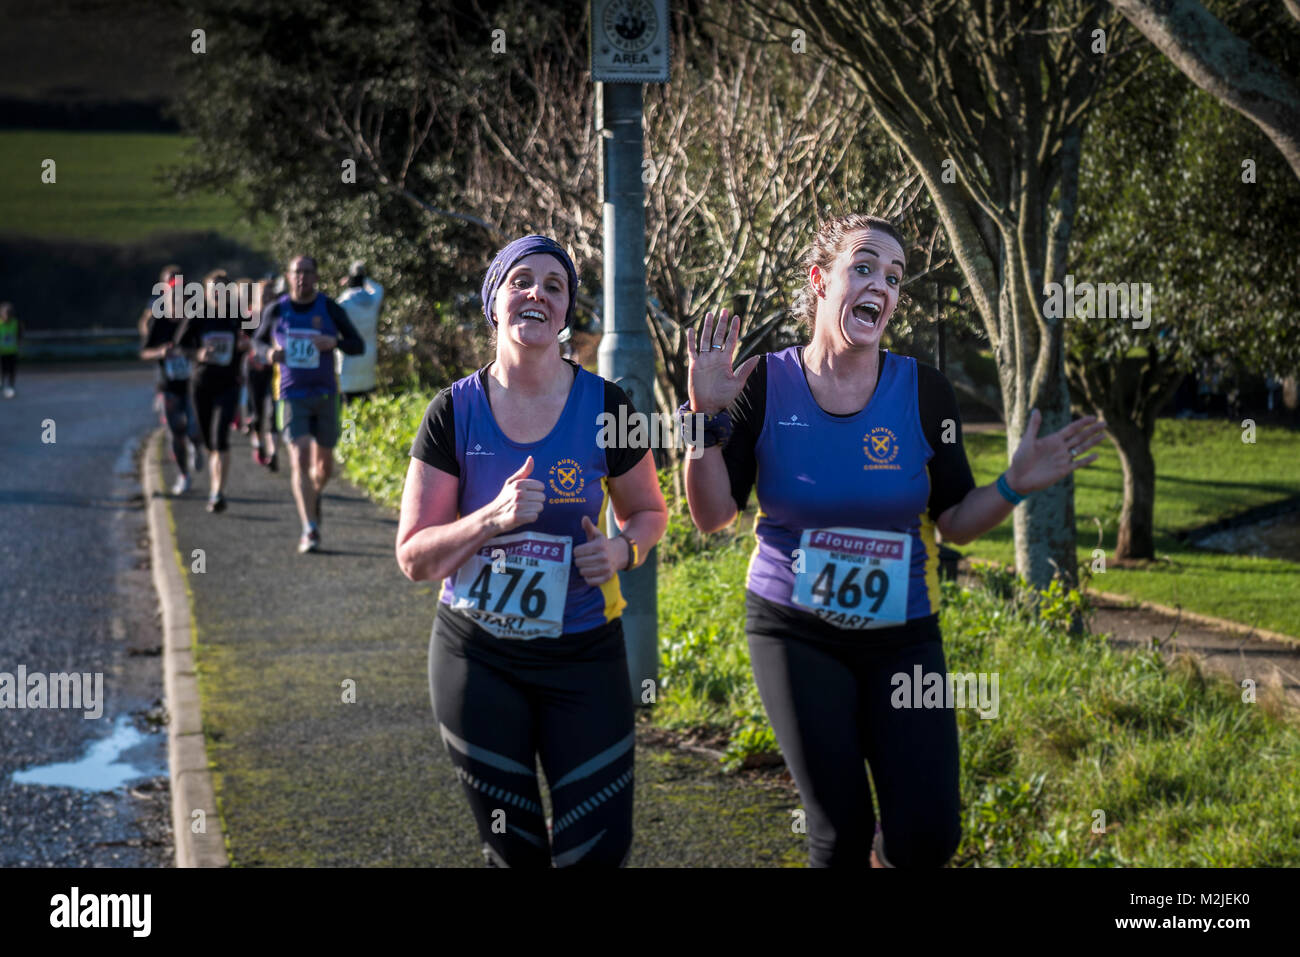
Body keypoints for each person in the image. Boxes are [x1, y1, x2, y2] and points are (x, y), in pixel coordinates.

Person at [682, 213, 1107, 868]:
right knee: (839, 831)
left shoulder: (924, 390)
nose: (881, 284)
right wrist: (702, 423)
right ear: (820, 281)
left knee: (928, 835)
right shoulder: (763, 384)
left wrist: (1015, 484)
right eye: (864, 268)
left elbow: (956, 517)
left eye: (894, 276)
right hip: (794, 630)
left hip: (902, 634)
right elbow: (713, 516)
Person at [395, 235, 668, 868]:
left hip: (583, 656)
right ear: (495, 301)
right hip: (477, 658)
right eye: (521, 280)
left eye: (554, 285)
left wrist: (624, 551)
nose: (537, 294)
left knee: (598, 849)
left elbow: (649, 512)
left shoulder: (606, 406)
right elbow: (415, 558)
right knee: (514, 851)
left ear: (566, 310)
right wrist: (489, 519)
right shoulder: (452, 413)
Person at [254, 255, 364, 553]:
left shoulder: (329, 307)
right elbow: (257, 342)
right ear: (288, 277)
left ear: (316, 276)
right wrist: (268, 354)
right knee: (299, 457)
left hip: (326, 394)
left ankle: (313, 497)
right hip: (291, 395)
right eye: (296, 272)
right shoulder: (276, 310)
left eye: (307, 272)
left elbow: (358, 345)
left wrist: (335, 343)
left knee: (324, 468)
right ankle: (310, 528)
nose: (302, 277)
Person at [175, 269, 250, 513]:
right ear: (206, 293)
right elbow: (181, 344)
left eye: (222, 288)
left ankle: (218, 492)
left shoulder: (237, 315)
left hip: (228, 384)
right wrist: (197, 354)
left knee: (221, 439)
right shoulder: (197, 314)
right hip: (202, 385)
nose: (218, 292)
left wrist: (244, 346)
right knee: (209, 442)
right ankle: (213, 484)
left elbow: (252, 339)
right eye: (213, 288)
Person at [139, 304, 196, 494]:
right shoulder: (159, 321)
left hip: (192, 386)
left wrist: (192, 353)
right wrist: (160, 352)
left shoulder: (194, 317)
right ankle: (183, 474)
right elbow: (144, 352)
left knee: (195, 429)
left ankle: (196, 444)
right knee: (175, 433)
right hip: (168, 387)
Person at [336, 260, 383, 403]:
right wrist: (363, 277)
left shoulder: (343, 301)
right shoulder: (374, 299)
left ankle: (350, 426)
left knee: (349, 407)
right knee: (365, 402)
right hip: (368, 356)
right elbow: (378, 288)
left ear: (350, 278)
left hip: (348, 359)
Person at [244, 277, 278, 470]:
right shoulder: (249, 315)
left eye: (269, 294)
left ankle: (273, 453)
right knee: (258, 413)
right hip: (253, 368)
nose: (266, 297)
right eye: (263, 294)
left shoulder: (278, 315)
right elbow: (240, 341)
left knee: (274, 412)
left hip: (274, 370)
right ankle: (259, 444)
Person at [0, 302, 20, 398]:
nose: (7, 315)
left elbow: (19, 335)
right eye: (5, 313)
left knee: (12, 371)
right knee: (3, 371)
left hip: (12, 352)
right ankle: (2, 386)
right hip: (1, 353)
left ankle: (11, 387)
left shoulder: (15, 323)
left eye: (9, 313)